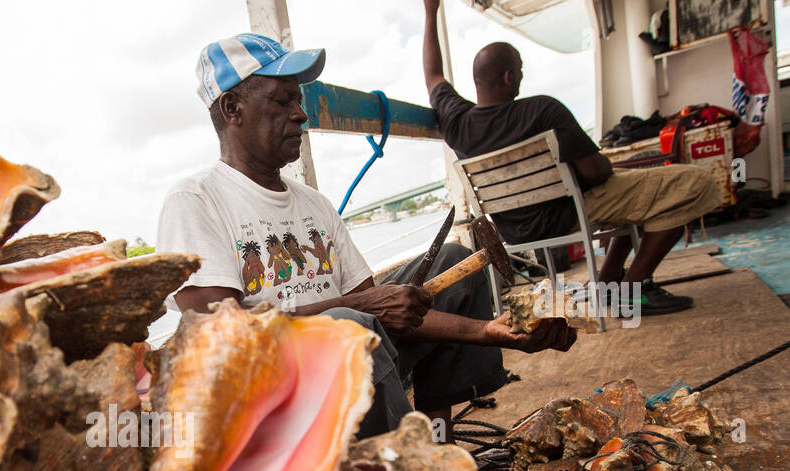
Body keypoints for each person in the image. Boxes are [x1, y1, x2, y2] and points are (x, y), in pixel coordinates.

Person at [157, 33, 574, 438]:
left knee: (451, 261)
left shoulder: (313, 204)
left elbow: (384, 312)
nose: (300, 114)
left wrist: (486, 331)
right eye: (283, 100)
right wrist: (349, 305)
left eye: (298, 101)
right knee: (346, 323)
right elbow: (217, 335)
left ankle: (439, 443)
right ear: (232, 108)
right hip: (270, 391)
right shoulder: (195, 200)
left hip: (355, 356)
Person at [422, 0, 720, 316]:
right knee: (692, 183)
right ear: (509, 76)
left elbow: (433, 75)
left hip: (514, 230)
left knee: (642, 194)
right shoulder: (542, 110)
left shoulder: (456, 123)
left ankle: (608, 282)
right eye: (520, 69)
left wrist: (430, 13)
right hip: (566, 214)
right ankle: (633, 291)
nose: (522, 75)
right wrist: (605, 167)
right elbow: (596, 174)